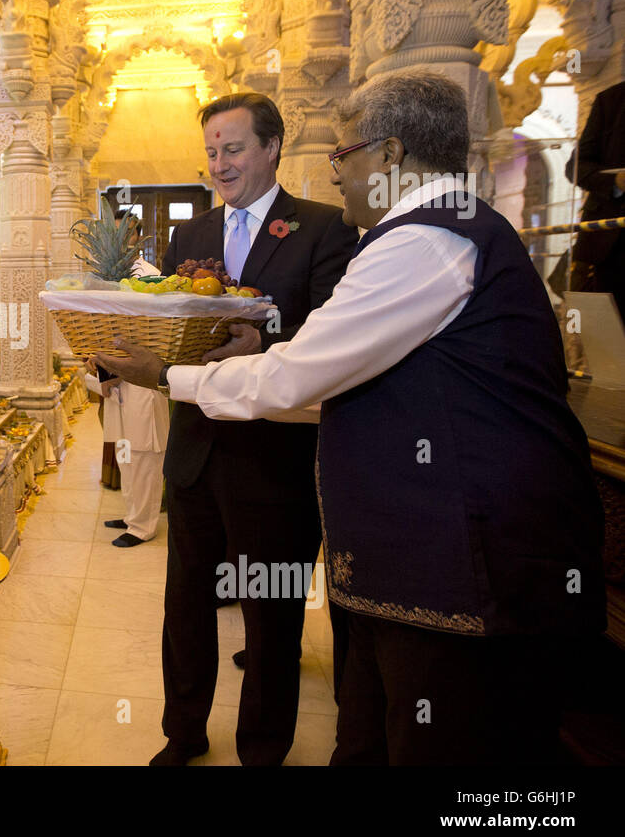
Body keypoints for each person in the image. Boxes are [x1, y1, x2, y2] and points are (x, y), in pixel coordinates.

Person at [95, 70, 606, 765]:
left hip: (465, 563)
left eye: (345, 154)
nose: (338, 174)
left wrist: (165, 375)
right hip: (418, 557)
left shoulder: (423, 241)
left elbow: (298, 375)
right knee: (372, 723)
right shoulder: (442, 228)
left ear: (390, 155)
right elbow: (322, 371)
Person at [150, 93, 358, 766]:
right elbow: (176, 323)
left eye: (233, 148)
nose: (220, 163)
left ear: (272, 147)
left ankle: (262, 750)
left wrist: (265, 337)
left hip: (274, 462)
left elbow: (334, 340)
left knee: (271, 622)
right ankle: (182, 732)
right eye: (211, 150)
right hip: (194, 454)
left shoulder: (324, 229)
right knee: (186, 610)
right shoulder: (192, 235)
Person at [84, 371, 168, 546]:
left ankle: (143, 527)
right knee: (125, 461)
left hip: (142, 392)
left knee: (143, 464)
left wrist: (113, 371)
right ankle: (133, 517)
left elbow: (146, 359)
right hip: (118, 393)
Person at [565, 80, 625, 313]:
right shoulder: (611, 101)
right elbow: (576, 167)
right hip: (611, 249)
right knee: (607, 339)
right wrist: (616, 182)